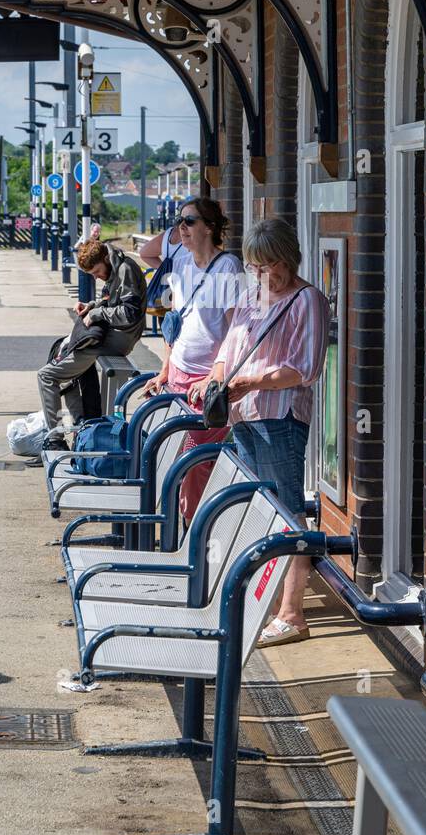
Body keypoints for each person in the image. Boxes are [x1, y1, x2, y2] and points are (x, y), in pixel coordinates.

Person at [190, 218, 330, 647]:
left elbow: (304, 369)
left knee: (287, 511)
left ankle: (292, 613)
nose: (263, 275)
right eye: (255, 266)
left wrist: (250, 383)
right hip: (243, 415)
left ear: (290, 259)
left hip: (279, 418)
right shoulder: (251, 298)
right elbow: (227, 352)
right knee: (259, 509)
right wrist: (214, 381)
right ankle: (264, 602)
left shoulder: (308, 301)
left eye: (270, 266)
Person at [143, 198, 244, 520]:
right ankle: (185, 525)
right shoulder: (183, 264)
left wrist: (216, 376)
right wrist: (164, 368)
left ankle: (194, 534)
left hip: (208, 381)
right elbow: (176, 323)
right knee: (174, 453)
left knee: (195, 458)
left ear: (210, 227)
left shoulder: (229, 267)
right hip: (179, 374)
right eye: (179, 221)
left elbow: (237, 330)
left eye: (188, 221)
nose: (180, 228)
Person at [38, 238, 147, 450]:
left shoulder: (125, 269)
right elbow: (110, 300)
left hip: (120, 337)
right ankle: (82, 428)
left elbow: (130, 313)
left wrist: (97, 314)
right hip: (112, 333)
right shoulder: (114, 266)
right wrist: (90, 306)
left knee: (46, 375)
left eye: (97, 272)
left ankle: (55, 441)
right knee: (61, 349)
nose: (97, 277)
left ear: (105, 258)